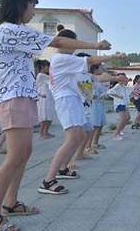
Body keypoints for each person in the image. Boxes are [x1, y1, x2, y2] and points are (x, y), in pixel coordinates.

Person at [0, 0, 112, 231]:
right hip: (12, 97)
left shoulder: (15, 31)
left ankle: (11, 203)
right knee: (14, 157)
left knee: (24, 153)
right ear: (21, 6)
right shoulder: (10, 30)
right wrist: (96, 46)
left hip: (20, 96)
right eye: (32, 6)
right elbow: (56, 41)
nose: (33, 11)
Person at [37, 29, 124, 196]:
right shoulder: (61, 58)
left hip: (72, 100)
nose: (74, 48)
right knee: (72, 139)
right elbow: (91, 60)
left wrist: (113, 78)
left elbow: (95, 77)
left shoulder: (65, 60)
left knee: (81, 135)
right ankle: (48, 180)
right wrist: (114, 56)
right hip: (66, 100)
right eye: (73, 44)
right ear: (65, 43)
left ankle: (63, 169)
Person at [90, 64, 110, 150]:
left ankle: (95, 143)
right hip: (93, 104)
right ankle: (88, 145)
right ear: (95, 69)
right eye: (101, 68)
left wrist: (105, 94)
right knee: (94, 125)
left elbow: (105, 89)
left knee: (100, 124)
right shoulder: (91, 78)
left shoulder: (101, 79)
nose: (102, 70)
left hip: (100, 103)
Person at [107, 73, 132, 140]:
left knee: (128, 117)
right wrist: (118, 96)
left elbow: (129, 90)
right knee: (123, 119)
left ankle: (120, 130)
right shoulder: (118, 85)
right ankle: (116, 134)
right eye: (123, 78)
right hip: (119, 104)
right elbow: (109, 92)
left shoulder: (123, 86)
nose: (125, 79)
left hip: (124, 104)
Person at [36, 60, 56, 139]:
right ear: (43, 67)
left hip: (49, 97)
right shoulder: (41, 75)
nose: (49, 69)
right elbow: (52, 79)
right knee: (44, 117)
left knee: (49, 116)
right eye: (47, 67)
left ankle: (46, 132)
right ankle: (42, 133)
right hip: (42, 98)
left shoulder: (46, 76)